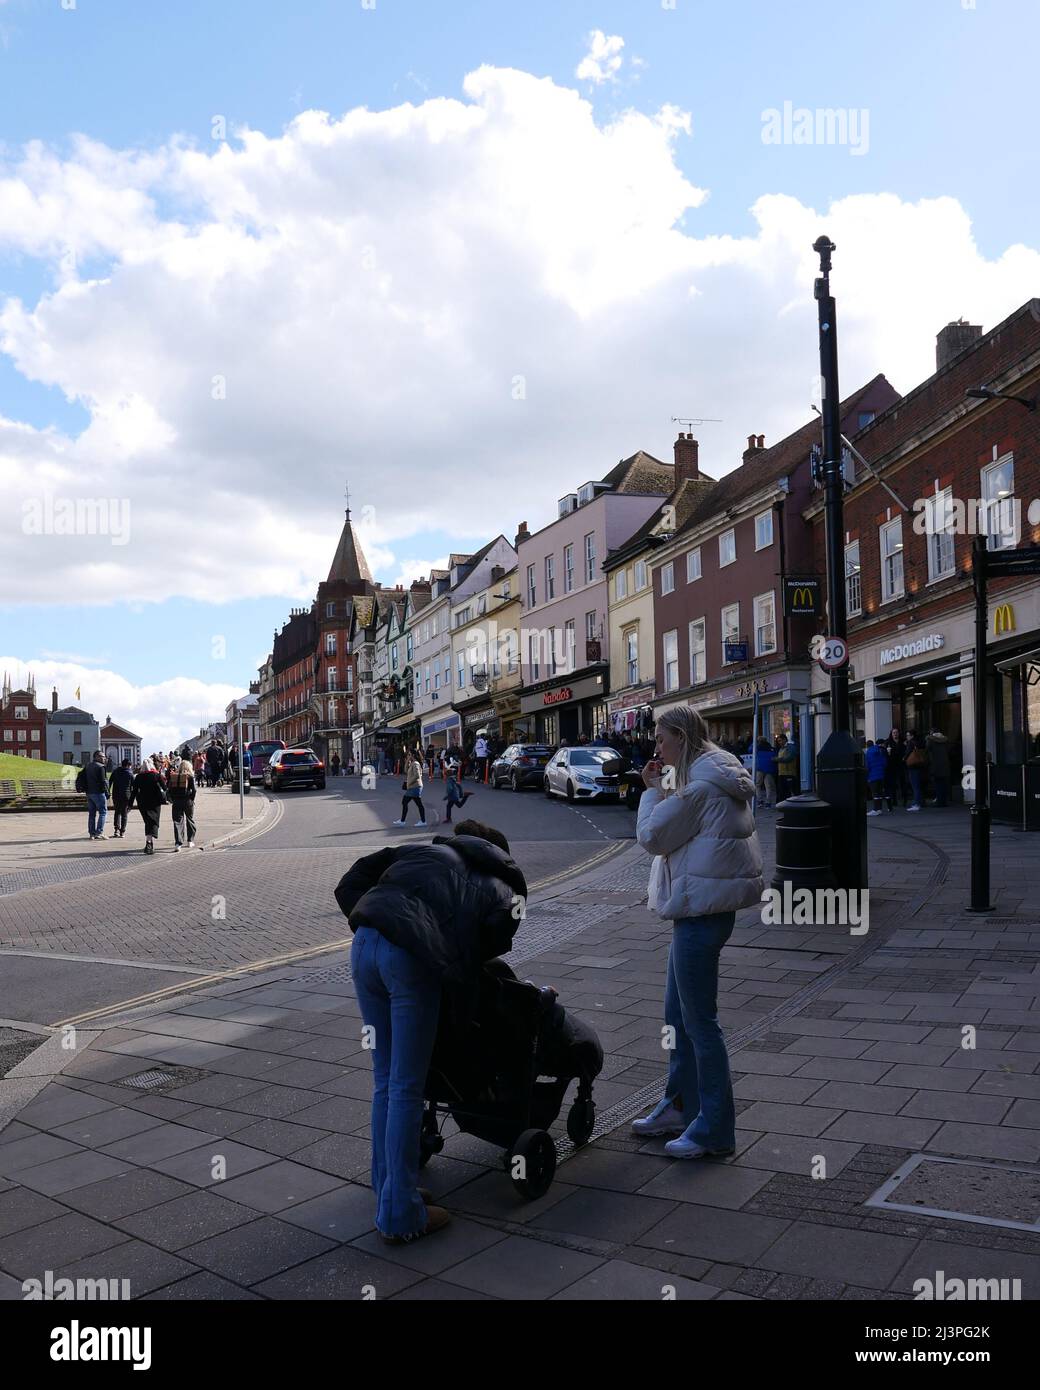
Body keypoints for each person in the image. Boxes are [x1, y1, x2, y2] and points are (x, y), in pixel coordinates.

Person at [333, 819, 527, 1244]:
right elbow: (483, 962)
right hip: (409, 960)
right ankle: (400, 1213)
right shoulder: (506, 892)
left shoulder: (420, 851)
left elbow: (351, 879)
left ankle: (387, 1188)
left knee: (384, 1080)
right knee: (406, 1085)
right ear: (500, 856)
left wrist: (371, 917)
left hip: (364, 945)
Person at [630, 705, 763, 1159]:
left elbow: (652, 835)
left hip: (700, 913)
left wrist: (650, 791)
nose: (656, 746)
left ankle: (714, 1129)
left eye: (661, 738)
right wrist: (666, 783)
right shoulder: (712, 774)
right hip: (700, 909)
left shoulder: (703, 786)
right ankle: (680, 1105)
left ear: (682, 738)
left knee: (700, 1023)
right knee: (677, 1016)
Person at [127, 757, 167, 854]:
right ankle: (149, 843)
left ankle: (149, 843)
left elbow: (134, 791)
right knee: (153, 821)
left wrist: (130, 804)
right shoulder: (156, 775)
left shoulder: (138, 777)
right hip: (155, 802)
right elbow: (165, 788)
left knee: (148, 822)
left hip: (142, 803)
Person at [168, 756, 199, 851]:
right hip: (187, 801)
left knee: (177, 822)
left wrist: (173, 799)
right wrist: (192, 799)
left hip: (177, 801)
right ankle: (190, 841)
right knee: (190, 820)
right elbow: (194, 790)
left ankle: (178, 843)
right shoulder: (190, 777)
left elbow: (169, 789)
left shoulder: (174, 776)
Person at [80, 751, 110, 840]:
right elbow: (103, 781)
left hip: (89, 793)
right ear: (96, 756)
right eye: (102, 756)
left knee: (91, 814)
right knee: (103, 813)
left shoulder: (88, 766)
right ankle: (99, 833)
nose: (104, 758)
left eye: (104, 757)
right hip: (99, 793)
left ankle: (92, 834)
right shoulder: (101, 767)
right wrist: (107, 793)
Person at [393, 750, 427, 827]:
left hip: (414, 786)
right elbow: (406, 770)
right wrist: (407, 760)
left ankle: (404, 821)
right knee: (417, 804)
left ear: (413, 755)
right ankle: (421, 821)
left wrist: (409, 782)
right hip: (414, 786)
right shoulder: (412, 763)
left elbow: (417, 775)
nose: (408, 756)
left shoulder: (415, 764)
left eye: (409, 754)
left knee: (407, 802)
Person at [109, 757, 134, 839]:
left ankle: (116, 830)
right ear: (128, 765)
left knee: (117, 812)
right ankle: (122, 832)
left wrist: (108, 790)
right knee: (124, 814)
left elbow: (110, 781)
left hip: (116, 795)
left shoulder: (115, 771)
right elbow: (134, 785)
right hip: (126, 795)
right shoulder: (130, 773)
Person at [926, 727, 951, 808]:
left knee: (937, 785)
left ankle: (939, 802)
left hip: (935, 765)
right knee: (944, 784)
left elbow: (927, 749)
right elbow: (948, 750)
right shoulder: (945, 740)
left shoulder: (930, 740)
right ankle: (944, 801)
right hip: (944, 764)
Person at [884, 728, 908, 809]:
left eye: (896, 732)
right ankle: (894, 800)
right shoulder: (888, 742)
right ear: (891, 734)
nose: (895, 734)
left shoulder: (903, 742)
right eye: (893, 732)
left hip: (901, 765)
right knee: (893, 784)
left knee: (903, 783)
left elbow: (907, 751)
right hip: (892, 765)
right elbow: (885, 754)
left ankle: (905, 800)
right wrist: (888, 753)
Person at [865, 738, 890, 815]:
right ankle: (879, 809)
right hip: (881, 775)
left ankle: (876, 809)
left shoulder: (868, 752)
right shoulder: (880, 751)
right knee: (879, 792)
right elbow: (885, 762)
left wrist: (866, 775)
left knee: (875, 793)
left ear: (867, 746)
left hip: (873, 776)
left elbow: (867, 765)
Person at [904, 730, 927, 811]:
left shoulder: (911, 743)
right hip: (920, 765)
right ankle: (921, 802)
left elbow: (907, 753)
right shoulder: (921, 742)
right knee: (919, 785)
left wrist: (904, 758)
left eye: (908, 735)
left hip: (913, 766)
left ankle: (916, 804)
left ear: (912, 736)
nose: (907, 737)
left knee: (915, 786)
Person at [753, 736, 777, 809]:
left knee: (757, 785)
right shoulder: (771, 748)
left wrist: (754, 743)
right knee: (768, 786)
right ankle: (768, 802)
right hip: (769, 768)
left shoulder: (756, 747)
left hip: (760, 768)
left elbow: (749, 749)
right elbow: (774, 756)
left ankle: (760, 801)